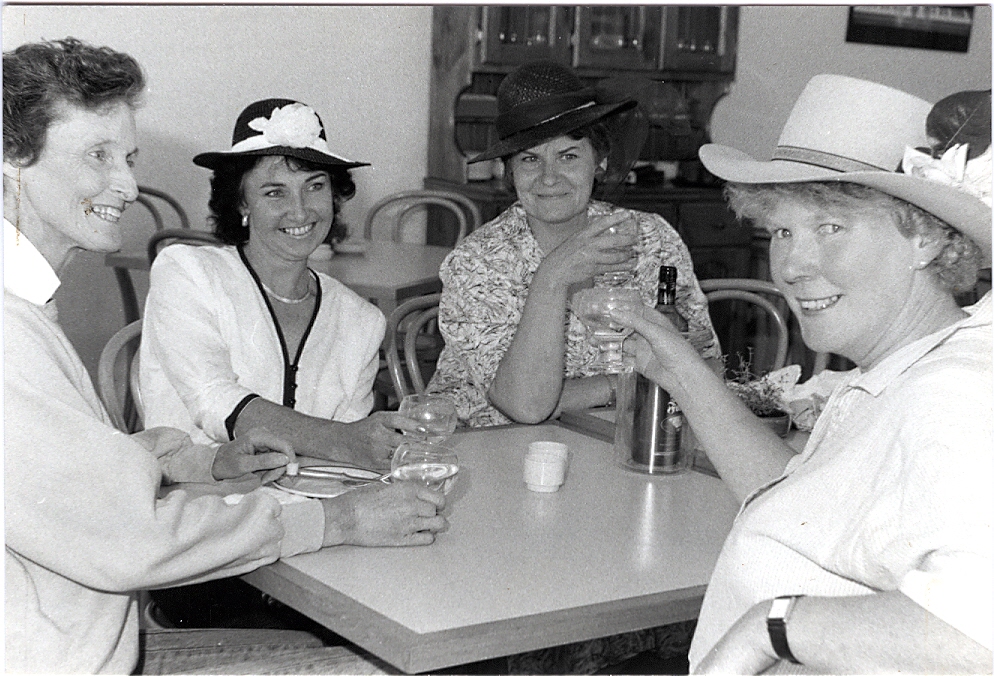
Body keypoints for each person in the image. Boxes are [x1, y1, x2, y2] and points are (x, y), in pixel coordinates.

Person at [4, 37, 445, 674]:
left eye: (127, 157)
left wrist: (201, 464)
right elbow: (133, 539)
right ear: (12, 158)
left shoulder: (29, 307)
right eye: (98, 156)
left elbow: (69, 476)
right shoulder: (12, 329)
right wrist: (336, 519)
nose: (127, 186)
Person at [610, 75, 992, 673]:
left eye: (829, 228)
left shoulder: (954, 392)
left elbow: (978, 632)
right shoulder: (901, 370)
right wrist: (675, 363)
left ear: (923, 238)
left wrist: (772, 629)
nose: (791, 264)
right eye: (781, 231)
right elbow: (797, 505)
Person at [425, 60, 721, 429]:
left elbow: (706, 366)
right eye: (530, 159)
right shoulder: (477, 262)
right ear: (510, 171)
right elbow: (527, 406)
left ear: (599, 161)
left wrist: (588, 391)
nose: (549, 177)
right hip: (496, 450)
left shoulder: (651, 239)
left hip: (621, 439)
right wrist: (552, 277)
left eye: (568, 156)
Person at [140, 98, 418, 469]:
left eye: (314, 186)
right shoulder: (187, 272)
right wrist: (343, 441)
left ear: (335, 197)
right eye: (274, 192)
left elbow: (345, 464)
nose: (300, 210)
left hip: (308, 511)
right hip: (196, 500)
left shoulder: (361, 320)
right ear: (241, 203)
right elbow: (213, 399)